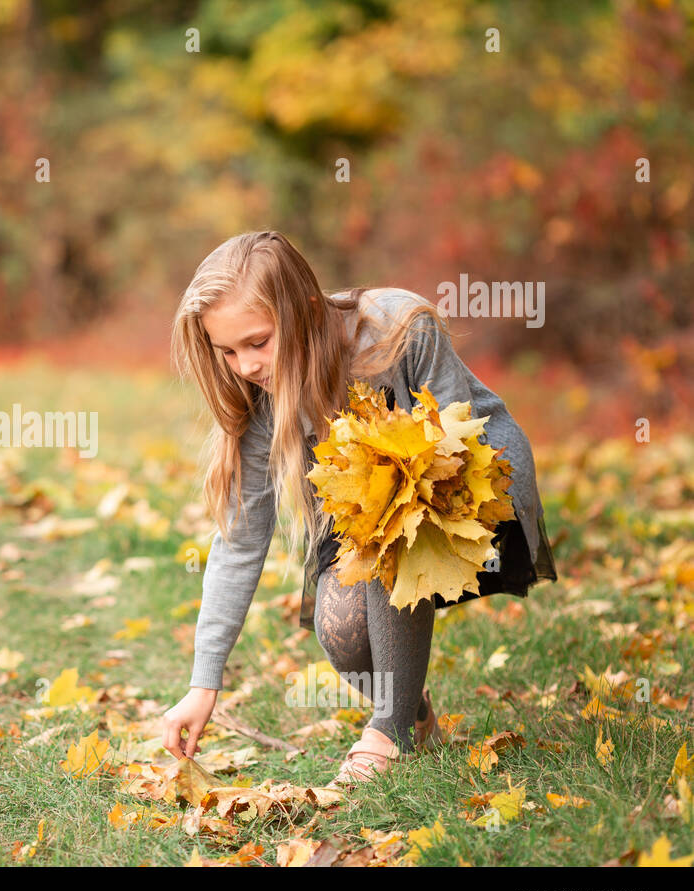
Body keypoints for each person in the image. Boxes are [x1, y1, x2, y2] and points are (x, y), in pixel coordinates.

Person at [161, 230, 557, 789]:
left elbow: (459, 437)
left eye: (257, 342)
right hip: (366, 516)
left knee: (385, 528)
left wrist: (408, 497)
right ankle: (413, 715)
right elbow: (241, 539)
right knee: (342, 632)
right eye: (227, 351)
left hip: (474, 488)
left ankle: (388, 732)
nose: (244, 365)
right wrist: (204, 682)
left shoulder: (395, 329)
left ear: (303, 311)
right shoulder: (261, 399)